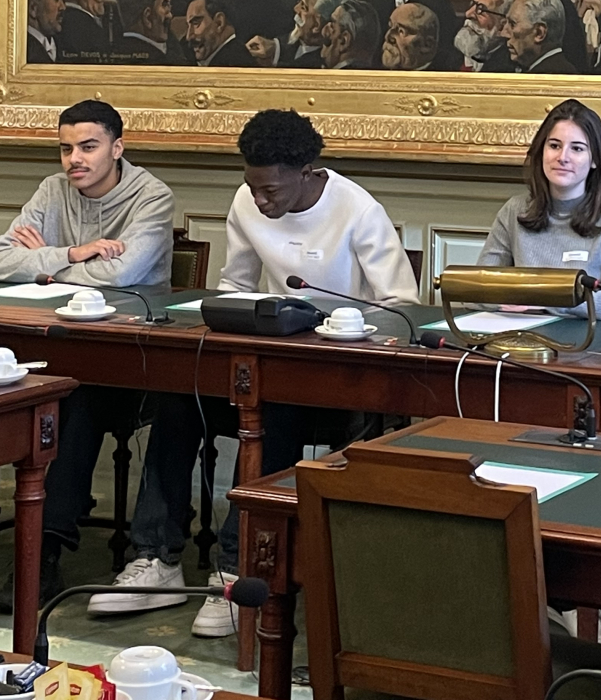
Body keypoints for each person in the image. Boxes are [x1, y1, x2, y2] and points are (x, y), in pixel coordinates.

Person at [88, 110, 418, 632]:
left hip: (330, 375)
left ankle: (236, 571)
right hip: (261, 354)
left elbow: (403, 306)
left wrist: (337, 326)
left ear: (307, 173)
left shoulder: (357, 210)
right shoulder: (248, 200)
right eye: (253, 188)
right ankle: (157, 559)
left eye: (271, 192)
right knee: (178, 403)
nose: (261, 202)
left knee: (271, 413)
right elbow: (235, 287)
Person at [0, 100, 174, 606]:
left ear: (117, 147)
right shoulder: (52, 189)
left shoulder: (152, 196)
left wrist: (38, 263)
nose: (73, 160)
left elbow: (120, 276)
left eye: (88, 147)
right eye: (66, 149)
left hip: (126, 363)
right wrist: (74, 253)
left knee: (68, 406)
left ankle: (41, 558)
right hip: (45, 346)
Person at [476, 98, 601, 320]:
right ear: (542, 152)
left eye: (576, 149)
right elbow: (476, 291)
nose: (562, 157)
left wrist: (549, 299)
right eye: (554, 146)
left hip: (585, 347)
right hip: (521, 343)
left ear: (594, 159)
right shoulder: (515, 210)